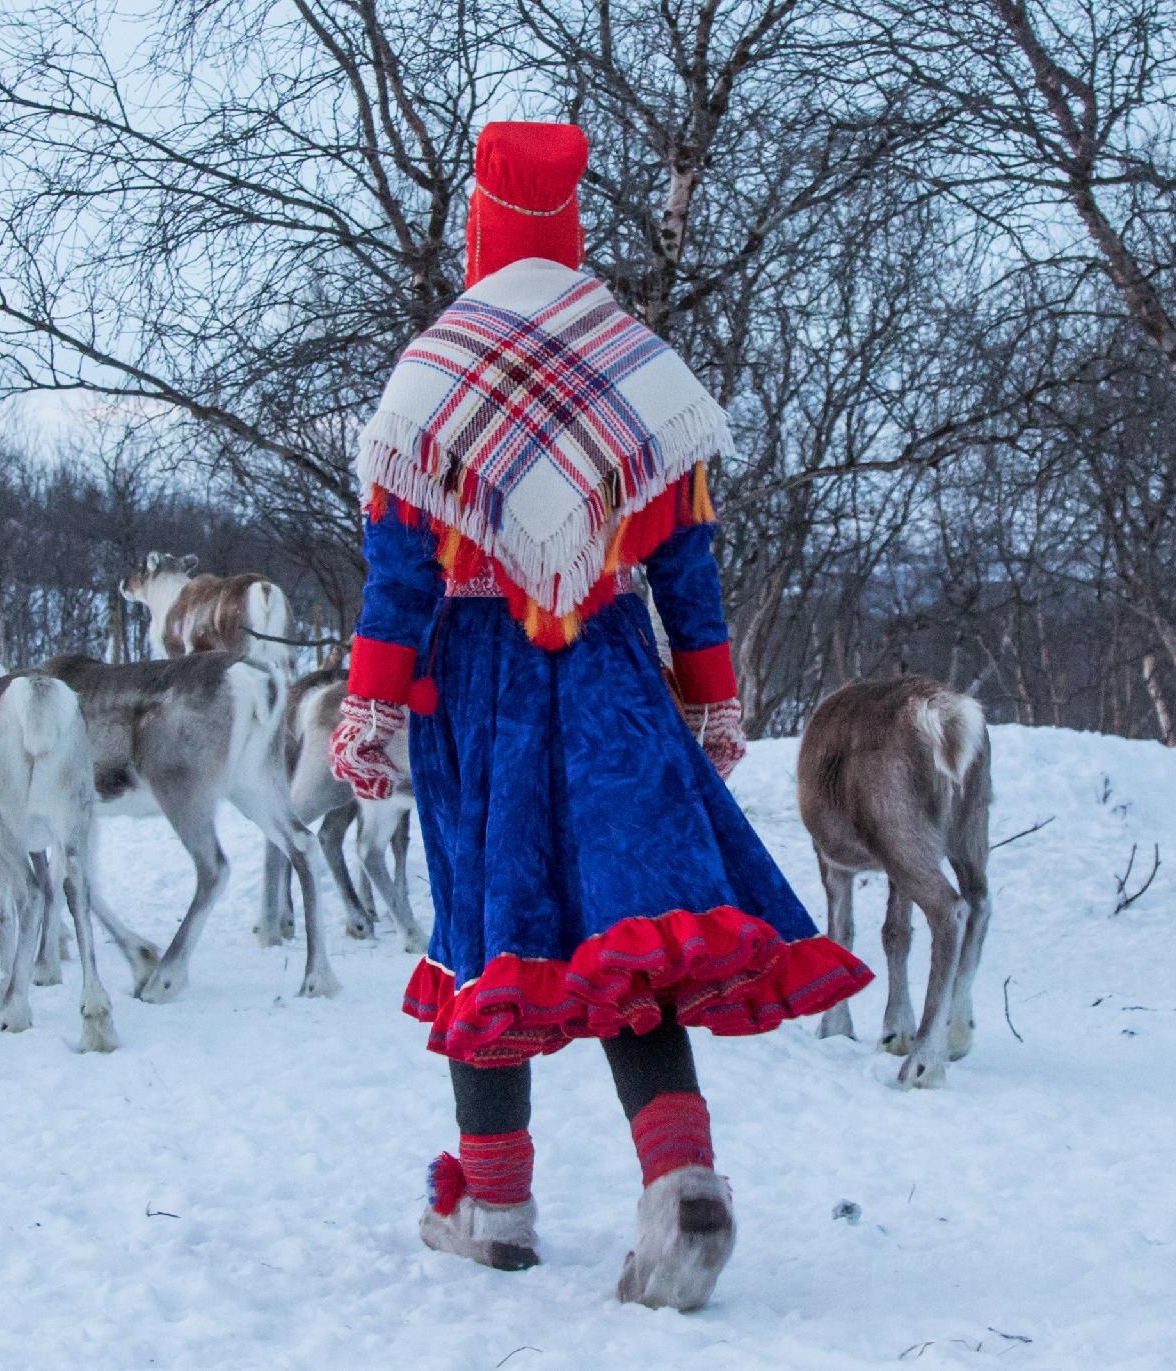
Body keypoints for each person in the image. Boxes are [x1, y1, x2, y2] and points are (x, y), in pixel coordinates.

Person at [329, 120, 872, 1312]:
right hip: (616, 673)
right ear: (568, 232)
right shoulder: (639, 371)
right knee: (640, 941)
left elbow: (399, 577)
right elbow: (690, 566)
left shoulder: (435, 374)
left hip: (481, 689)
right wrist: (712, 701)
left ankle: (493, 1205)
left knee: (490, 928)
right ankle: (682, 1185)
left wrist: (369, 706)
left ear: (480, 225)